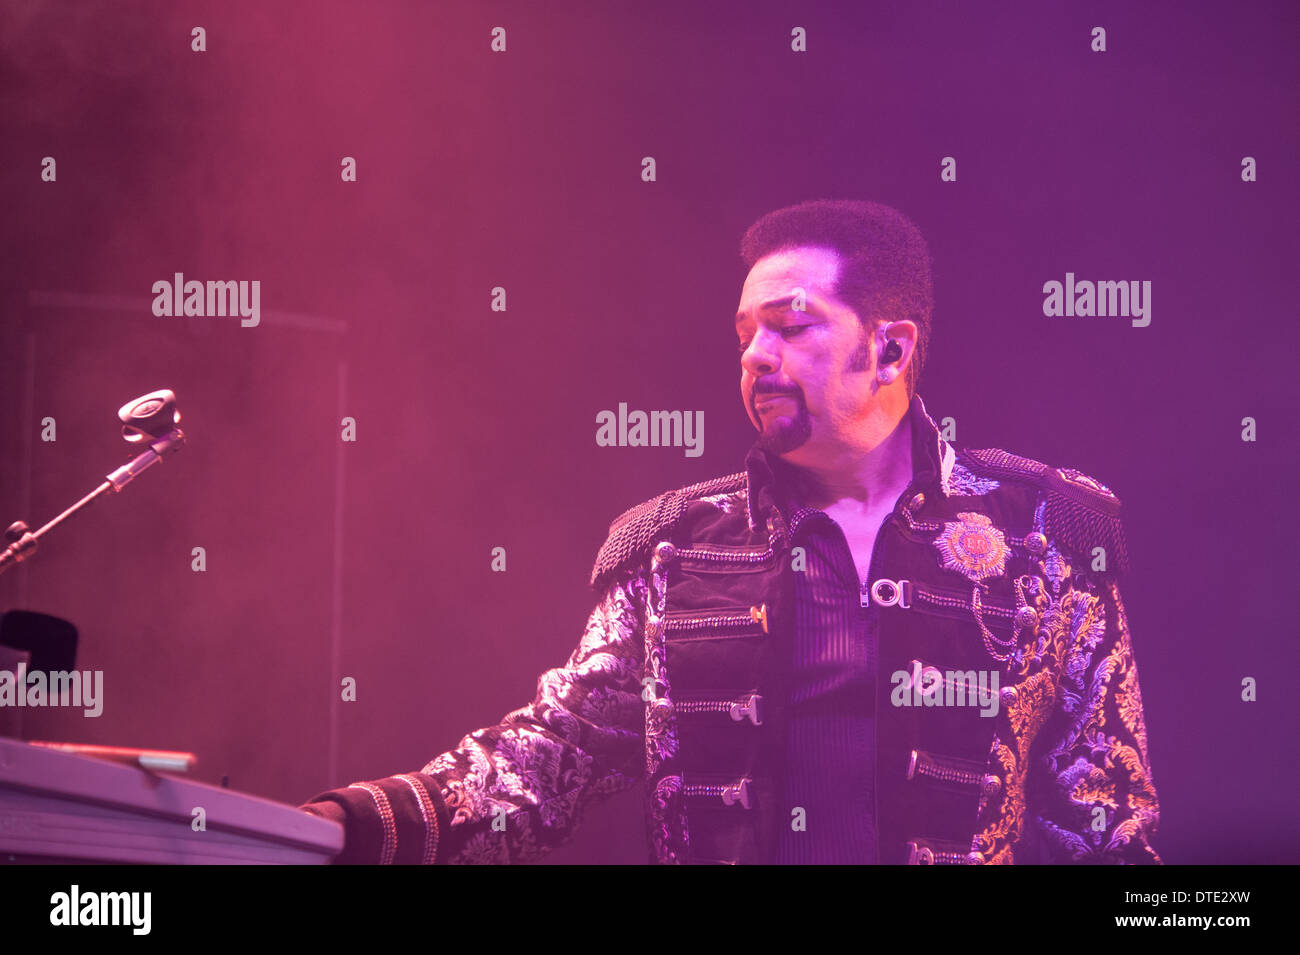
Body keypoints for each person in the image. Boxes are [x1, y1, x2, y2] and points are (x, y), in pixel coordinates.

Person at [300, 199, 1161, 865]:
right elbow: (543, 765)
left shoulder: (1045, 536)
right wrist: (341, 827)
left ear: (891, 352)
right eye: (747, 333)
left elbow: (1108, 825)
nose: (754, 355)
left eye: (790, 326)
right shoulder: (672, 548)